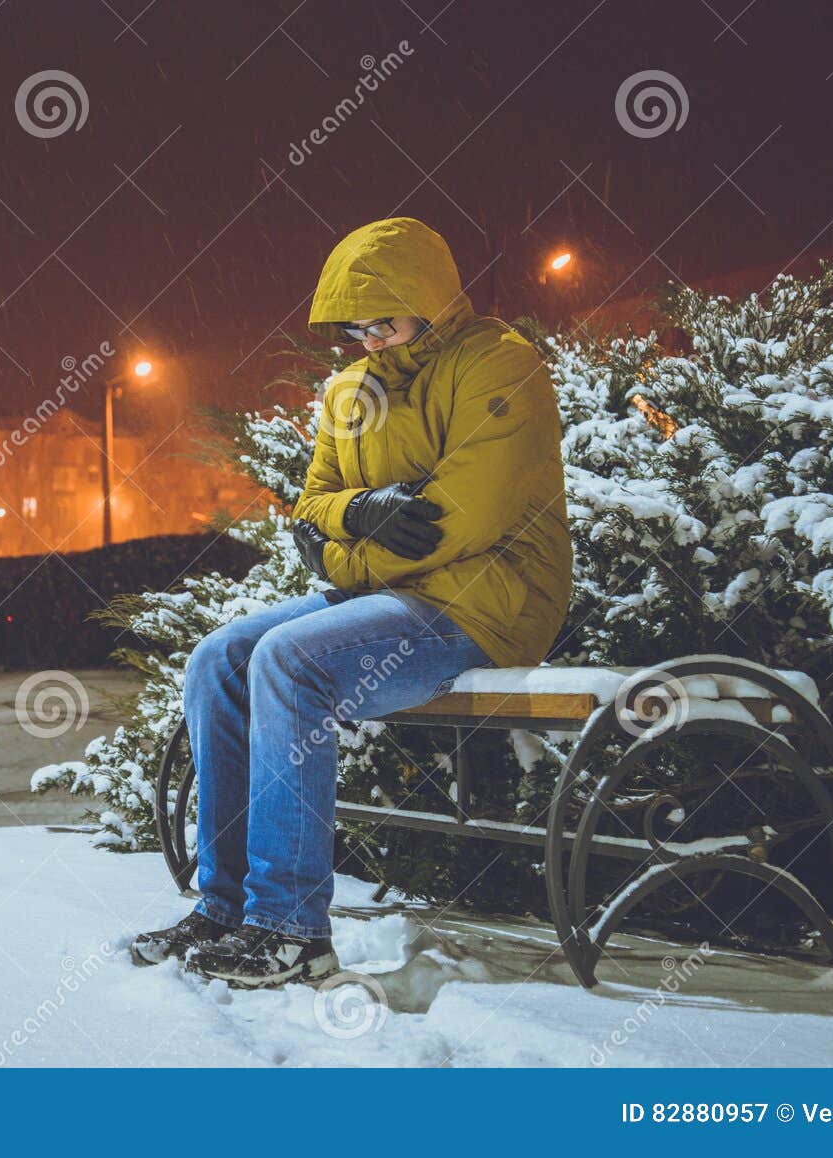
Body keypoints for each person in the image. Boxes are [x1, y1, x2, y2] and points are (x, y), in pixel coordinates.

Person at [132, 217, 573, 988]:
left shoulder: (499, 366)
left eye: (385, 323)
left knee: (290, 661)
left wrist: (339, 551)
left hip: (486, 601)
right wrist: (360, 511)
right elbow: (312, 505)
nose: (370, 342)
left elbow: (459, 521)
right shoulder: (348, 392)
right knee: (218, 661)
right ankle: (225, 910)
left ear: (430, 303)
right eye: (356, 328)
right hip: (386, 594)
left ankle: (290, 932)